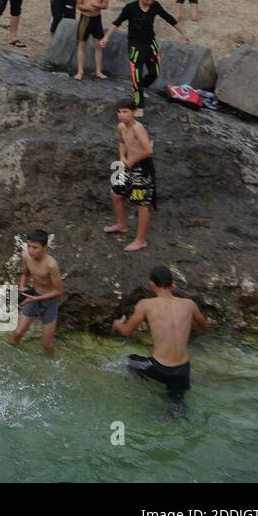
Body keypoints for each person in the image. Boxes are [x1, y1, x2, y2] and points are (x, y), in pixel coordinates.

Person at [111, 265, 209, 403]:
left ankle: (143, 394)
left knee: (128, 360)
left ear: (152, 284)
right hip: (182, 371)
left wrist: (117, 324)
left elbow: (127, 332)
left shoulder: (145, 305)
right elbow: (205, 326)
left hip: (158, 368)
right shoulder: (189, 304)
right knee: (177, 406)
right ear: (172, 284)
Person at [100, 0, 189, 114]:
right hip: (136, 45)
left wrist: (182, 33)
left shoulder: (155, 6)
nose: (149, 2)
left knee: (155, 72)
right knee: (136, 74)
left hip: (150, 43)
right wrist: (106, 37)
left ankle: (141, 88)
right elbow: (117, 23)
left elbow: (168, 18)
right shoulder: (130, 8)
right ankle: (138, 104)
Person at [104, 100, 156, 252]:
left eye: (125, 111)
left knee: (141, 204)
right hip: (126, 164)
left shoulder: (137, 128)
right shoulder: (121, 126)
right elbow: (121, 141)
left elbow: (148, 150)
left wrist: (131, 161)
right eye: (119, 112)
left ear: (133, 112)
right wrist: (122, 157)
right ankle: (121, 225)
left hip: (142, 167)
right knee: (115, 194)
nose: (122, 115)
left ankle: (140, 240)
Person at [8, 229, 63, 354]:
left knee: (46, 345)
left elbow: (59, 291)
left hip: (49, 302)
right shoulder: (26, 256)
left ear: (45, 247)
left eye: (35, 247)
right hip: (33, 296)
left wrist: (36, 299)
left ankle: (50, 366)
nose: (31, 250)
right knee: (17, 333)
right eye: (29, 246)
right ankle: (8, 358)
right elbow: (25, 274)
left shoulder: (51, 265)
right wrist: (22, 286)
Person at [74, 0, 110, 81]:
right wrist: (87, 7)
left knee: (98, 46)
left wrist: (97, 5)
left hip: (96, 19)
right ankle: (80, 71)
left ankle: (98, 71)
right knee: (82, 45)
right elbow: (79, 5)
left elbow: (105, 5)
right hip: (85, 18)